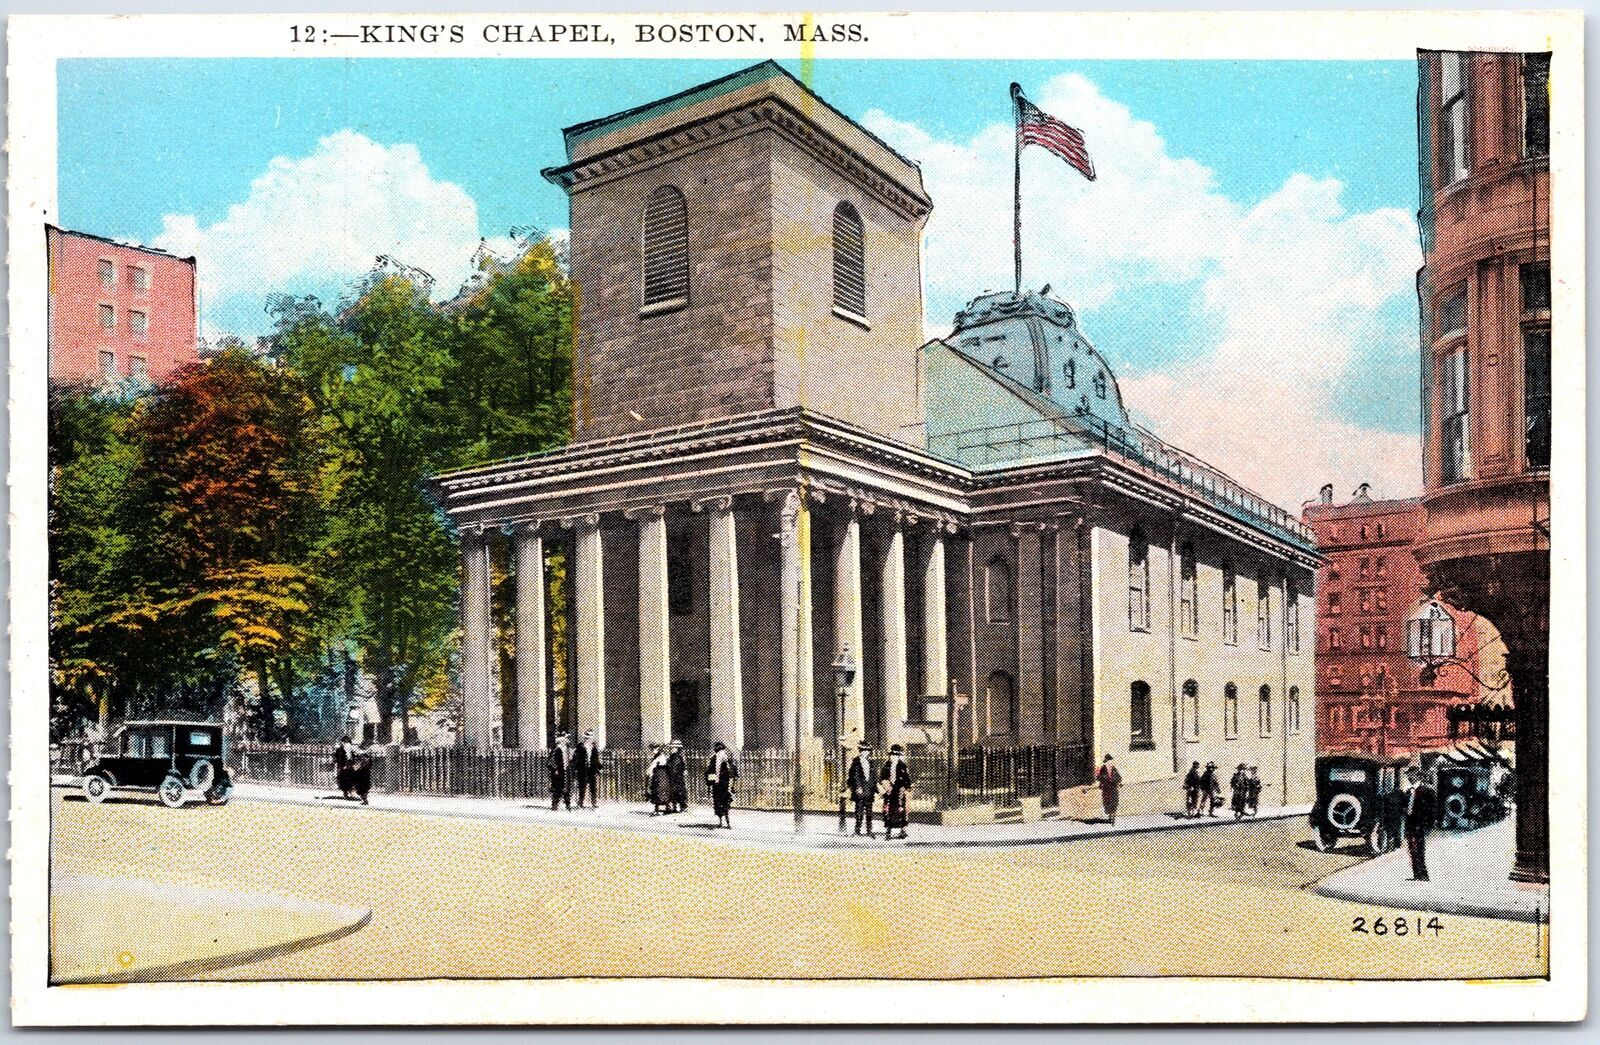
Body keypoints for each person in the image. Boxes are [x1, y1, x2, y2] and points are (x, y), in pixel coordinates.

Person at [1403, 766, 1437, 882]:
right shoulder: (1408, 791)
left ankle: (1423, 874)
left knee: (1420, 849)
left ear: (1417, 776)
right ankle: (1416, 874)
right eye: (1408, 775)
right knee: (1412, 848)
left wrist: (1429, 825)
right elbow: (1406, 807)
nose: (1409, 777)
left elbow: (1433, 809)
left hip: (1421, 824)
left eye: (1411, 775)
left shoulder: (1427, 791)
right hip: (1410, 823)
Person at [879, 744, 913, 839]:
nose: (893, 757)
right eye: (892, 755)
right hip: (890, 790)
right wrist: (885, 785)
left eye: (896, 755)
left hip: (900, 791)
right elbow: (882, 777)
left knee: (901, 810)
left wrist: (907, 788)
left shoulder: (902, 765)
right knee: (888, 810)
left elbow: (907, 779)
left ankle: (903, 830)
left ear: (898, 756)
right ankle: (888, 830)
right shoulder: (887, 765)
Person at [706, 741, 738, 829]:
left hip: (722, 784)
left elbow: (731, 772)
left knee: (722, 802)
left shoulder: (724, 758)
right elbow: (710, 772)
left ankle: (725, 822)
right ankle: (724, 822)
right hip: (722, 784)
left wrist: (711, 783)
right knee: (721, 803)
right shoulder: (715, 758)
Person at [847, 743, 877, 837]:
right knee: (859, 811)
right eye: (863, 751)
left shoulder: (871, 762)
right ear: (860, 751)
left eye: (867, 751)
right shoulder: (856, 762)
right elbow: (854, 776)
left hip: (869, 790)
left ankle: (869, 830)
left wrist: (876, 789)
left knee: (869, 811)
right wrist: (858, 787)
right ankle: (857, 830)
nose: (866, 753)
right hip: (860, 790)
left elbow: (873, 776)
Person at [573, 729, 603, 808]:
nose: (589, 738)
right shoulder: (580, 746)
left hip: (592, 769)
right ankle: (580, 802)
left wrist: (599, 767)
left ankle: (594, 803)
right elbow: (576, 757)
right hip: (582, 769)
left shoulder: (594, 747)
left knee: (593, 787)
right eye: (587, 737)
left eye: (590, 737)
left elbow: (596, 758)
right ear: (585, 737)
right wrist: (576, 767)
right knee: (582, 786)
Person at [547, 733, 573, 811]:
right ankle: (554, 805)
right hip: (558, 772)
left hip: (566, 771)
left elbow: (570, 760)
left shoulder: (567, 750)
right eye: (563, 741)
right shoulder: (556, 750)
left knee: (566, 789)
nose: (565, 742)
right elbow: (550, 762)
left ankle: (568, 805)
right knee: (558, 789)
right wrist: (555, 769)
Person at [1095, 754, 1122, 824]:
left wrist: (1118, 782)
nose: (1110, 763)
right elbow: (1098, 777)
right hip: (1106, 789)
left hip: (1114, 788)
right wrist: (1103, 780)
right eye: (1108, 761)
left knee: (1114, 801)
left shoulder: (1114, 769)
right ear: (1106, 762)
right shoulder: (1103, 769)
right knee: (1107, 802)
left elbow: (1119, 777)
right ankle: (1110, 816)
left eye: (1110, 761)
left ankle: (1113, 817)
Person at [645, 744, 671, 814]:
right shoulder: (656, 757)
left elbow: (661, 765)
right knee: (656, 792)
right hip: (656, 776)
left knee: (661, 791)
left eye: (654, 749)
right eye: (652, 750)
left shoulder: (661, 757)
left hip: (661, 776)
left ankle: (665, 808)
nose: (653, 751)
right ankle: (657, 808)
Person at [666, 740, 689, 813]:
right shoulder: (671, 757)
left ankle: (683, 806)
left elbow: (683, 767)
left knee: (680, 792)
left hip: (678, 777)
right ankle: (674, 806)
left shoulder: (680, 757)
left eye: (673, 747)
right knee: (673, 792)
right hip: (672, 776)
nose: (671, 749)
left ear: (677, 748)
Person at [333, 735, 356, 800]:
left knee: (348, 780)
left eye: (344, 742)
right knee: (344, 780)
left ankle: (349, 793)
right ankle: (346, 793)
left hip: (347, 766)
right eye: (343, 742)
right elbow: (336, 757)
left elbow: (351, 757)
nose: (343, 743)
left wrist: (348, 765)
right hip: (343, 767)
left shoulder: (349, 748)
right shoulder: (339, 749)